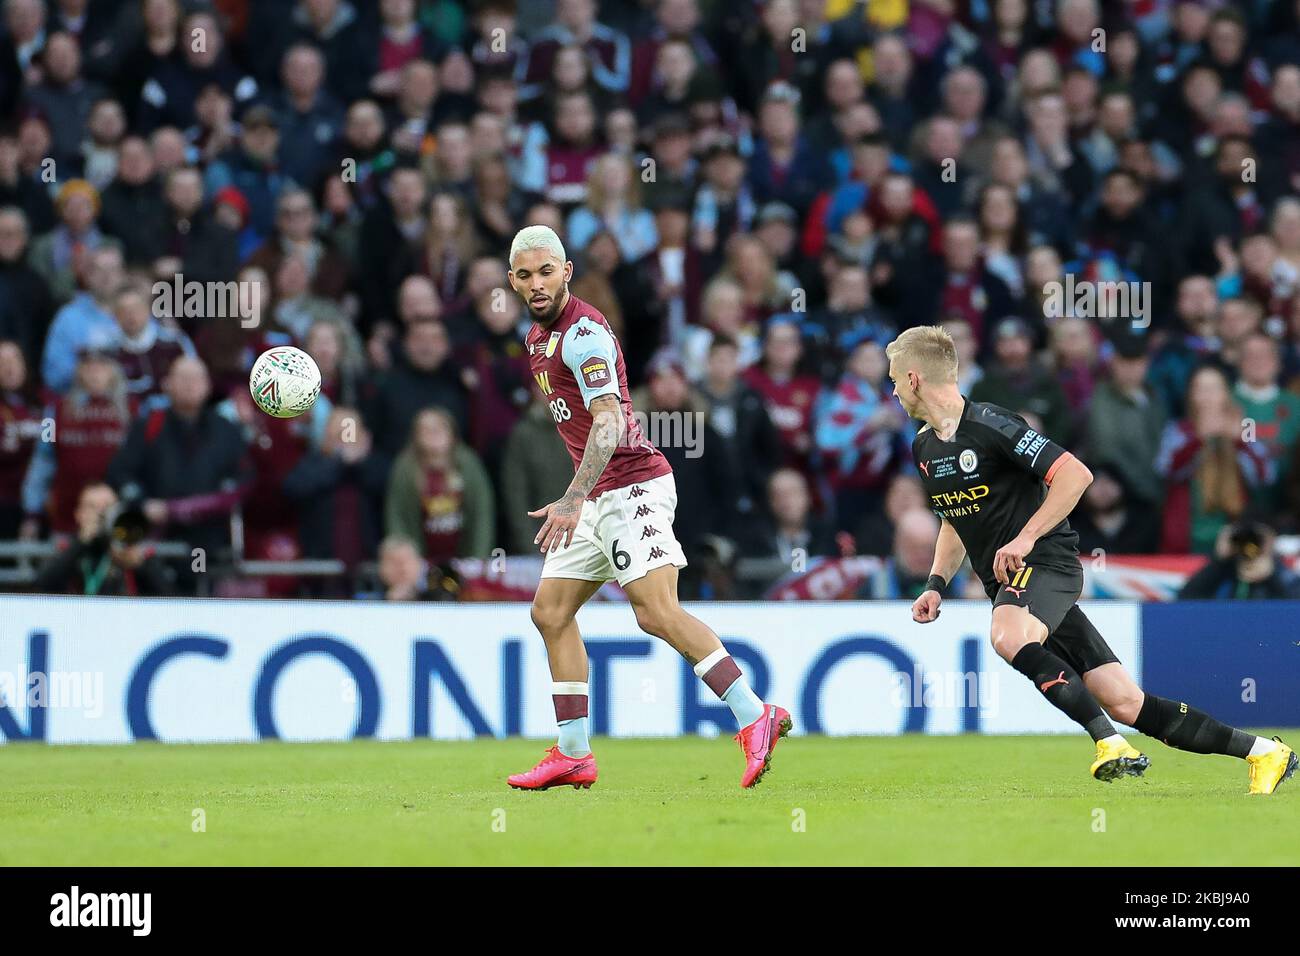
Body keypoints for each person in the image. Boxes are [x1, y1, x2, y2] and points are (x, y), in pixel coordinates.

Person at [888, 324, 1296, 795]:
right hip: (1016, 583)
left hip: (1046, 563)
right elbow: (955, 520)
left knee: (1007, 635)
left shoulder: (992, 424)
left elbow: (1075, 475)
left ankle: (1109, 743)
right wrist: (936, 583)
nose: (894, 389)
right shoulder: (925, 447)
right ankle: (1265, 753)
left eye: (896, 378)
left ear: (915, 378)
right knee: (1128, 702)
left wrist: (1024, 537)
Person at [505, 224, 791, 791]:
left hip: (632, 485)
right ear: (511, 280)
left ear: (566, 273)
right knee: (550, 613)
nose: (536, 284)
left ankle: (756, 714)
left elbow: (609, 422)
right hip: (596, 494)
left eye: (546, 272)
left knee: (655, 611)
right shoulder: (537, 339)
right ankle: (574, 754)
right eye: (524, 274)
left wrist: (572, 497)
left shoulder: (582, 334)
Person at [32, 482, 174, 596]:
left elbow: (169, 598)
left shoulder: (133, 548)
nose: (101, 513)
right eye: (93, 507)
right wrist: (80, 544)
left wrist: (140, 566)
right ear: (79, 514)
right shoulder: (67, 548)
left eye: (108, 506)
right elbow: (43, 584)